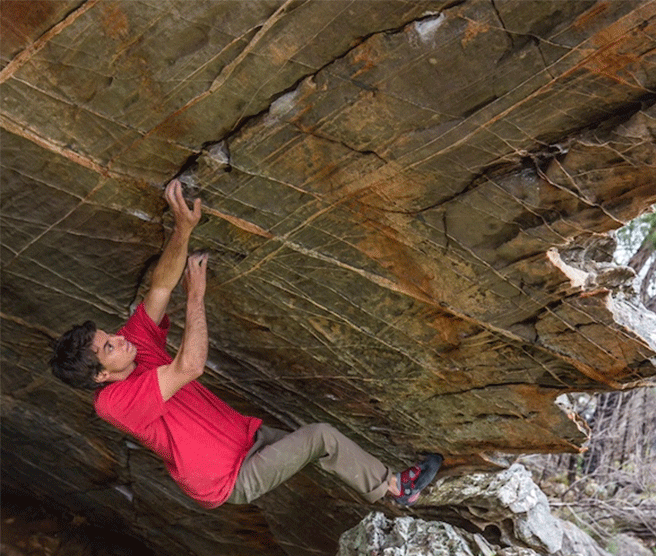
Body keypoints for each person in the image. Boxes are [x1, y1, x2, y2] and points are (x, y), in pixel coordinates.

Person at [49, 179, 441, 509]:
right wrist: (197, 296)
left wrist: (183, 229)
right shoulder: (113, 404)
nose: (118, 338)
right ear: (101, 375)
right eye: (109, 348)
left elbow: (161, 286)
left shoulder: (133, 344)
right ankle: (399, 489)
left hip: (245, 439)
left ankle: (384, 487)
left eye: (109, 336)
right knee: (321, 436)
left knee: (322, 448)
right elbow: (189, 367)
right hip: (229, 478)